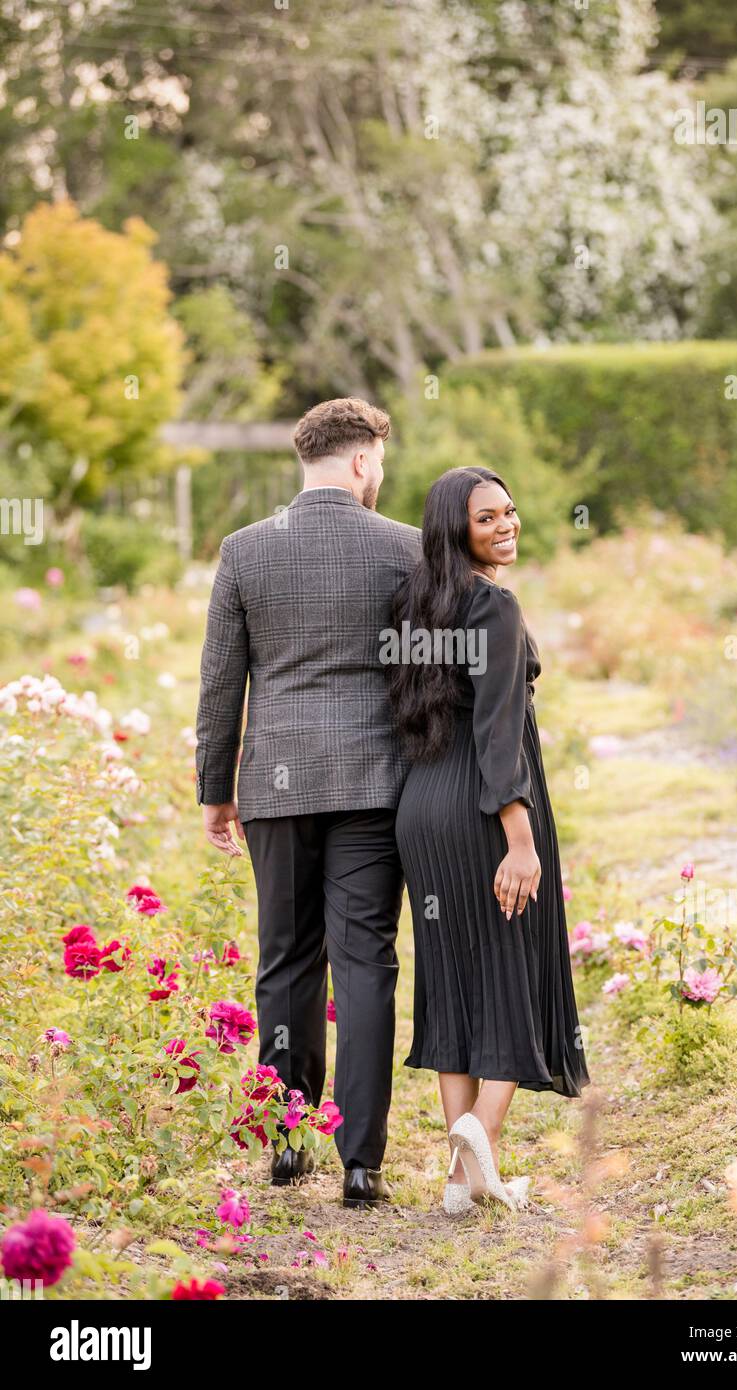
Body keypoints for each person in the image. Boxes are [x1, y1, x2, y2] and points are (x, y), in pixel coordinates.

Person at [195, 397, 421, 1208]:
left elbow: (222, 683)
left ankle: (289, 1141)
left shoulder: (246, 551)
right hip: (372, 784)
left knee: (286, 959)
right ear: (362, 461)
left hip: (276, 785)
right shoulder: (406, 549)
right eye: (380, 464)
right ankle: (362, 1160)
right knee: (366, 962)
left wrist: (215, 791)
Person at [388, 466, 589, 1215]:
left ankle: (461, 1183)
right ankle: (480, 1128)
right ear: (456, 529)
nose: (506, 525)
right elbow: (499, 733)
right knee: (514, 969)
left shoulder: (411, 605)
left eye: (510, 511)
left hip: (421, 810)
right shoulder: (494, 607)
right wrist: (520, 838)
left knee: (449, 978)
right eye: (486, 518)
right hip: (480, 811)